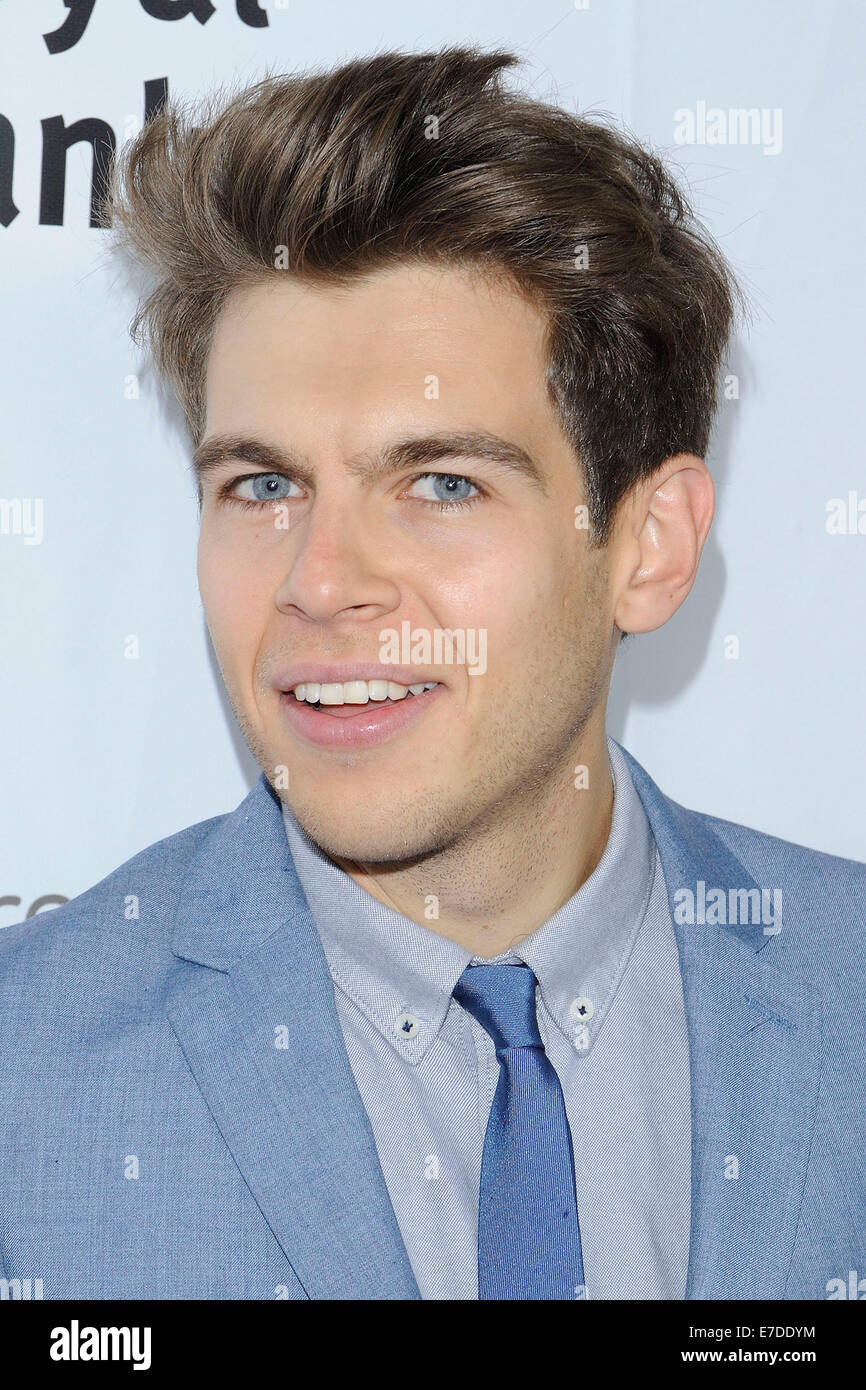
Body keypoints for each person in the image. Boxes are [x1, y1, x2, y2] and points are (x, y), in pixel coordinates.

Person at [1, 45, 863, 1302]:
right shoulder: (26, 1068)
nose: (322, 578)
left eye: (442, 483)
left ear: (648, 547)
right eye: (263, 484)